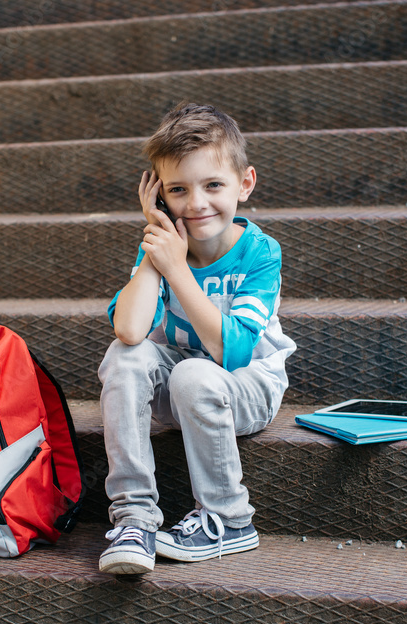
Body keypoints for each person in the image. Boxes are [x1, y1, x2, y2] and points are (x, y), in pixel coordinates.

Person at [97, 102, 296, 575]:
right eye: (178, 190)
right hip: (182, 388)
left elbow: (233, 352)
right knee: (125, 357)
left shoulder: (260, 253)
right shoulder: (162, 247)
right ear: (160, 196)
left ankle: (229, 518)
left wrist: (177, 269)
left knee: (193, 373)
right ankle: (135, 517)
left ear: (245, 184)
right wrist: (157, 244)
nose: (197, 203)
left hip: (245, 388)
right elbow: (129, 330)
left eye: (213, 185)